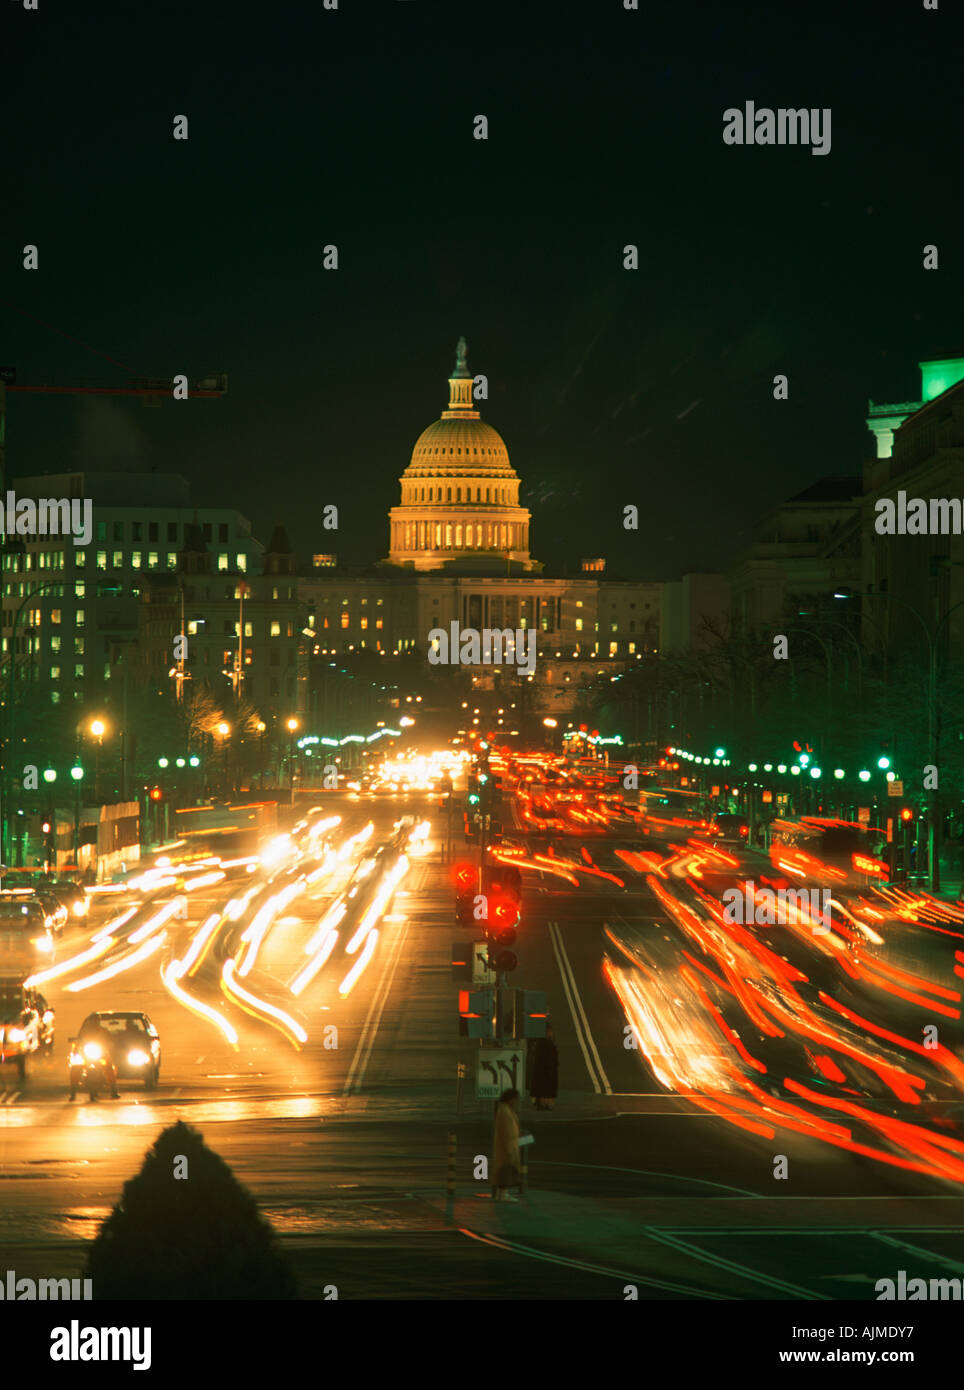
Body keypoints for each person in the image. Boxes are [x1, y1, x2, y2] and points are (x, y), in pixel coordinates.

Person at [76, 1016, 119, 1099]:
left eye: (96, 1021)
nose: (94, 1023)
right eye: (92, 1021)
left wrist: (110, 1043)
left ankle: (114, 1090)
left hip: (101, 1053)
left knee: (108, 1067)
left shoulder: (103, 1030)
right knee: (76, 1066)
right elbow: (79, 1040)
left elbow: (110, 1039)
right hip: (87, 1054)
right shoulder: (84, 1031)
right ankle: (73, 1090)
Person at [492, 1088, 521, 1202]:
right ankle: (503, 1194)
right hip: (508, 1147)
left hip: (507, 1146)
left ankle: (501, 1194)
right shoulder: (505, 1112)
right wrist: (510, 1150)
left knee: (504, 1171)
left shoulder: (504, 1110)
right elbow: (508, 1132)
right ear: (511, 1099)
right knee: (505, 1171)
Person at [529, 1022, 559, 1111]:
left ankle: (541, 1102)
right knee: (546, 1088)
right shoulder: (547, 1044)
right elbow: (551, 1059)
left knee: (543, 1087)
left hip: (543, 1072)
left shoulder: (540, 1043)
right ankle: (544, 1103)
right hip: (547, 1072)